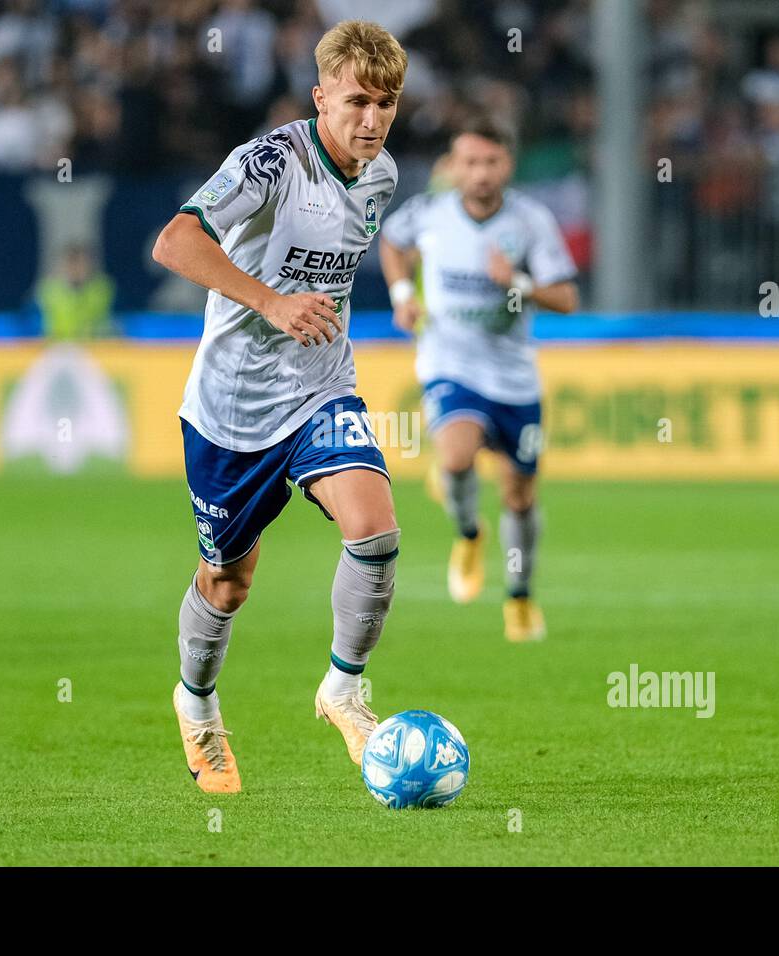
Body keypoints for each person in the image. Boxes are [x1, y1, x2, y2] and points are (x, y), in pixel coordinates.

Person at [150, 20, 408, 793]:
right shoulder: (268, 162)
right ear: (320, 94)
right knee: (228, 581)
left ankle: (344, 689)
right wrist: (269, 302)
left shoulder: (383, 176)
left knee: (376, 530)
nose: (371, 120)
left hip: (321, 388)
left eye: (387, 103)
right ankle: (196, 703)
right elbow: (173, 242)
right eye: (357, 101)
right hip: (230, 408)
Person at [379, 119, 579, 642]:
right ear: (454, 165)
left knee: (519, 496)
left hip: (514, 377)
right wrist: (403, 296)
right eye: (469, 162)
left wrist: (515, 282)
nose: (480, 173)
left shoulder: (531, 221)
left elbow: (566, 298)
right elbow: (391, 243)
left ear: (507, 165)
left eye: (490, 162)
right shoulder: (430, 212)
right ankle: (469, 533)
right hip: (450, 363)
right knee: (456, 456)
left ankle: (519, 596)